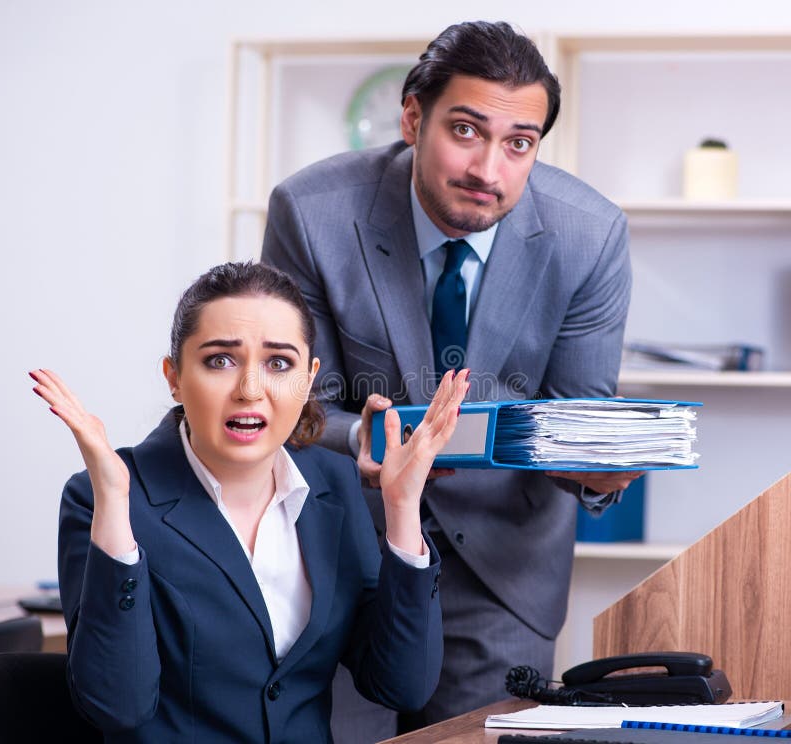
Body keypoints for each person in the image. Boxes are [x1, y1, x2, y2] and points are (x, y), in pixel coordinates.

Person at [261, 19, 644, 739]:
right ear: (413, 116)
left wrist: (599, 469)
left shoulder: (591, 235)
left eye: (518, 144)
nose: (488, 170)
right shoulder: (311, 214)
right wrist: (365, 443)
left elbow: (579, 415)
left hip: (504, 568)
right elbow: (293, 403)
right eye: (465, 131)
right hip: (343, 558)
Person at [29, 261, 469, 743]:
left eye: (279, 363)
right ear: (173, 376)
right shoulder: (103, 496)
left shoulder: (334, 485)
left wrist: (403, 511)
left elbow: (400, 685)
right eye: (220, 360)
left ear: (308, 378)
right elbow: (118, 706)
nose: (250, 390)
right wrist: (115, 507)